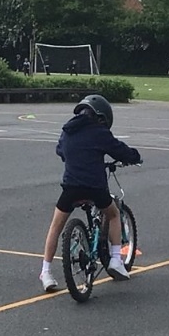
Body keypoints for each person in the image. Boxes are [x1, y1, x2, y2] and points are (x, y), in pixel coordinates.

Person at [40, 94, 141, 292]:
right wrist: (134, 156)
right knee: (112, 214)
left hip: (70, 187)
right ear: (101, 117)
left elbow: (60, 151)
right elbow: (120, 150)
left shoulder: (67, 131)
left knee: (55, 226)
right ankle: (115, 260)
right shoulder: (99, 132)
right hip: (95, 187)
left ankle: (46, 272)